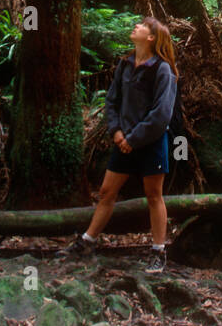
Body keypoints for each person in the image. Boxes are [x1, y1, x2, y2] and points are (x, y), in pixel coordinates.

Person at [64, 16, 178, 273]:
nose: (136, 26)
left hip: (150, 143)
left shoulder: (162, 70)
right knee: (106, 192)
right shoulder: (125, 65)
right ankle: (87, 242)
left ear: (151, 37)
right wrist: (116, 131)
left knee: (153, 196)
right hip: (123, 140)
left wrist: (134, 139)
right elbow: (112, 101)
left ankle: (159, 251)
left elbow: (162, 114)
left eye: (142, 26)